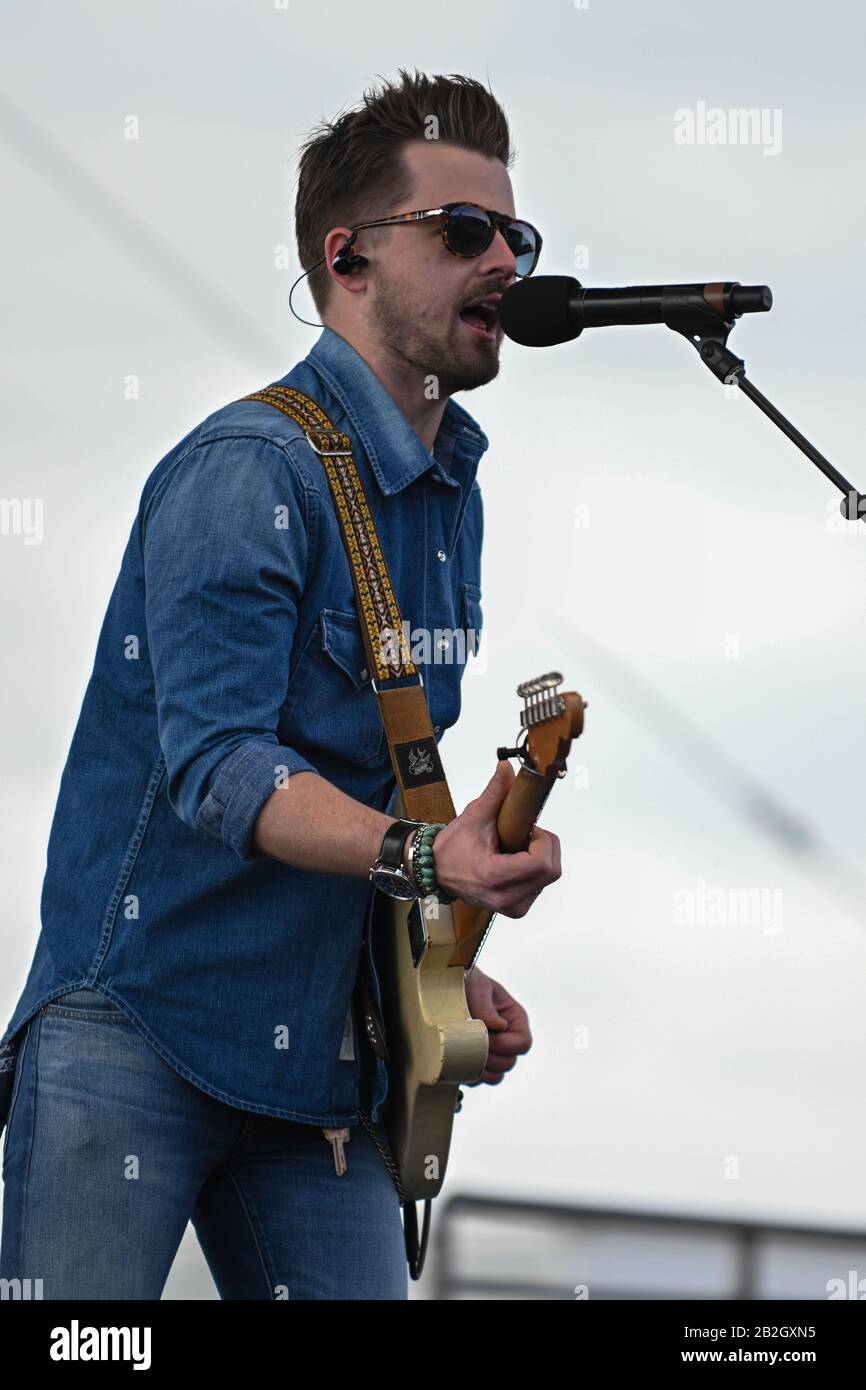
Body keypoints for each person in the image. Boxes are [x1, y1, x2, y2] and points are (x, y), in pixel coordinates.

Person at [0, 67, 561, 1301]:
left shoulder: (446, 491)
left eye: (515, 235)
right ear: (346, 256)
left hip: (323, 1069)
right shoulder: (247, 466)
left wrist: (432, 960)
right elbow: (225, 770)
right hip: (137, 1033)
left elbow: (384, 774)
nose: (505, 263)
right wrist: (430, 865)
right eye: (462, 233)